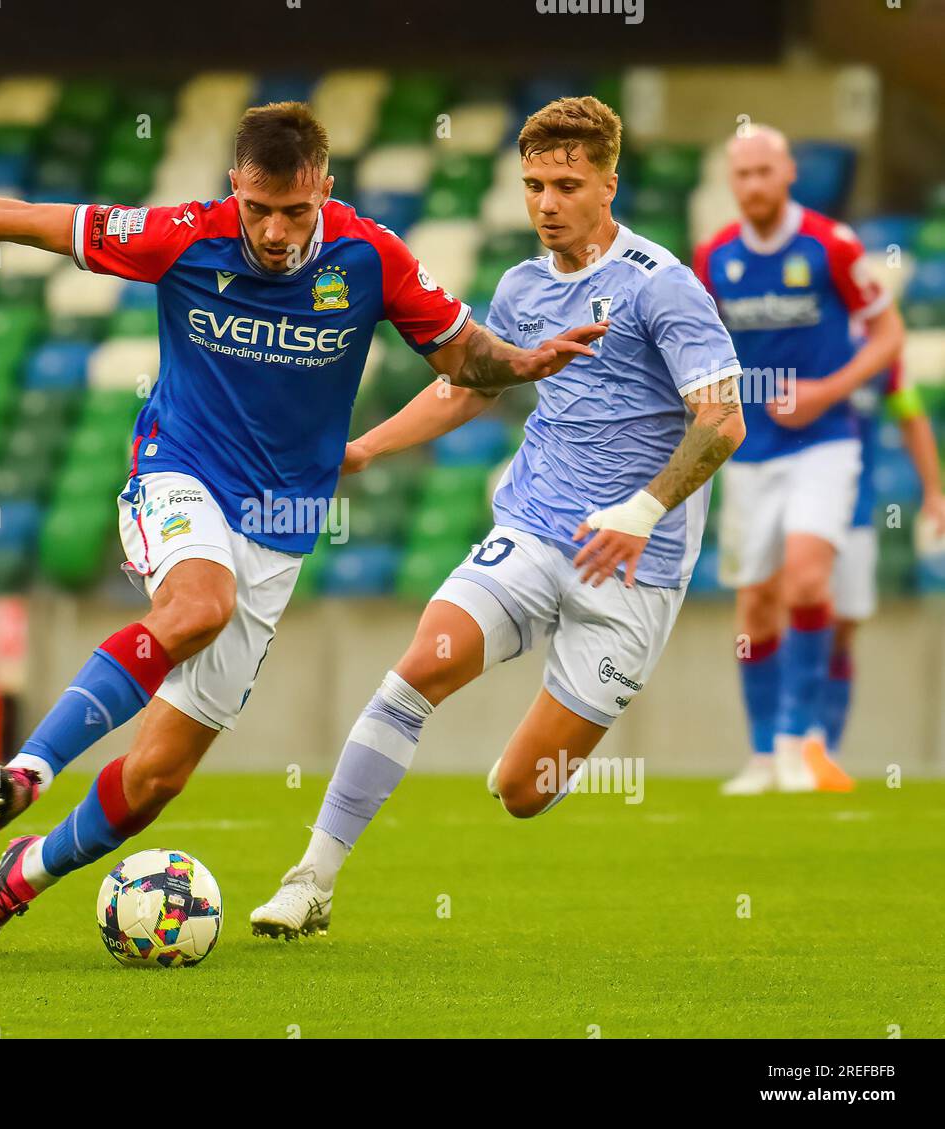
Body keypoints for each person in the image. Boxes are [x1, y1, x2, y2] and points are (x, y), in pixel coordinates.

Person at [0, 102, 606, 955]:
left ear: (324, 193)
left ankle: (19, 878)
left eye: (294, 212)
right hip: (179, 472)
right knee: (198, 606)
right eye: (257, 208)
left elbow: (461, 358)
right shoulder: (183, 236)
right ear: (235, 187)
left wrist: (521, 363)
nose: (272, 232)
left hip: (281, 528)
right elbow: (35, 221)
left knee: (156, 779)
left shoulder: (370, 257)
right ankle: (26, 770)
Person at [250, 95, 745, 939]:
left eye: (565, 183)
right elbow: (469, 388)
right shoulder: (520, 288)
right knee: (413, 675)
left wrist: (642, 508)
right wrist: (365, 450)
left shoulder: (664, 288)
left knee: (524, 791)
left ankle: (526, 763)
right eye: (533, 185)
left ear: (608, 185)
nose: (547, 203)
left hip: (633, 568)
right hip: (534, 529)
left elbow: (724, 418)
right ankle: (311, 880)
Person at [694, 125, 904, 795]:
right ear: (732, 181)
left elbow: (888, 331)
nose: (753, 184)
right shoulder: (714, 258)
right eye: (742, 173)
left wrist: (827, 392)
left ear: (788, 174)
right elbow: (696, 349)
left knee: (808, 583)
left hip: (826, 441)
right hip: (748, 450)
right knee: (755, 605)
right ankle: (760, 755)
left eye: (764, 171)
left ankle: (796, 742)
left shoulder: (831, 244)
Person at [820, 356, 945, 765]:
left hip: (857, 513)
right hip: (793, 510)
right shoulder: (798, 338)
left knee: (844, 625)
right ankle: (785, 742)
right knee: (796, 613)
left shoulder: (879, 358)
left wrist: (933, 491)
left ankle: (827, 746)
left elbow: (911, 417)